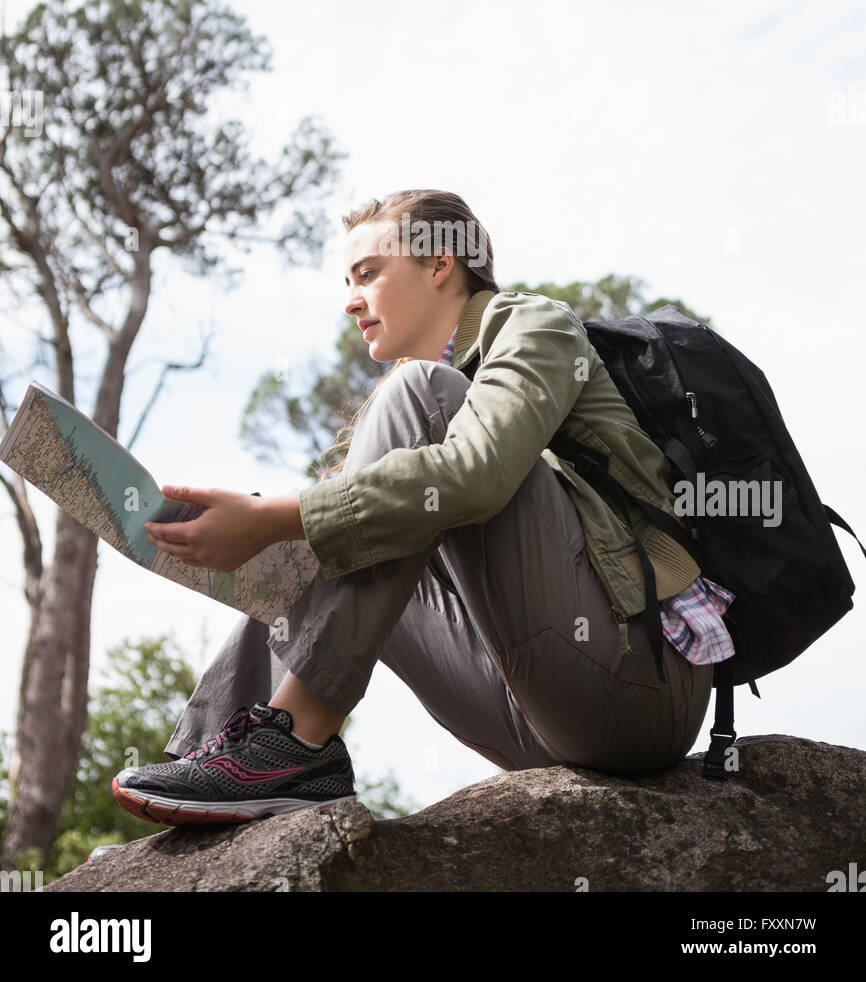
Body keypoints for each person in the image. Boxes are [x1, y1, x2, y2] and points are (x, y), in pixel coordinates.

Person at [112, 188, 732, 827]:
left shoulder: (535, 326)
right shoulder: (428, 405)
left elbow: (477, 473)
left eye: (369, 274)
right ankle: (209, 791)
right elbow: (344, 529)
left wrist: (274, 518)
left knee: (411, 401)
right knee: (344, 530)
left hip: (636, 688)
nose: (352, 300)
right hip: (529, 718)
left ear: (441, 264)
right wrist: (250, 530)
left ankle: (294, 743)